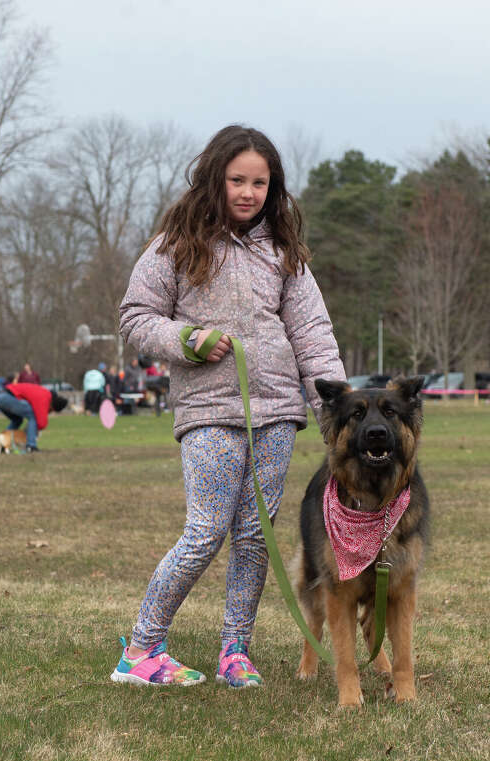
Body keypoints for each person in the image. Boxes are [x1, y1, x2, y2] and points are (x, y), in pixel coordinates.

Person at [111, 124, 345, 689]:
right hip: (210, 410)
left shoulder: (284, 253)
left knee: (254, 536)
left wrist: (338, 418)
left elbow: (313, 336)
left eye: (259, 183)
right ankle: (141, 651)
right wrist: (187, 340)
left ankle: (235, 652)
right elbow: (135, 317)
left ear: (273, 188)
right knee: (206, 530)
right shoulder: (176, 244)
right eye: (237, 180)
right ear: (214, 177)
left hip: (277, 413)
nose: (248, 192)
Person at [0, 379, 69, 453]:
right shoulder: (45, 397)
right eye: (51, 410)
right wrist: (30, 431)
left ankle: (3, 443)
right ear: (53, 405)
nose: (50, 412)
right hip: (7, 397)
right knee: (33, 416)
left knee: (17, 420)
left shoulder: (44, 393)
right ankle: (31, 446)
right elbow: (41, 423)